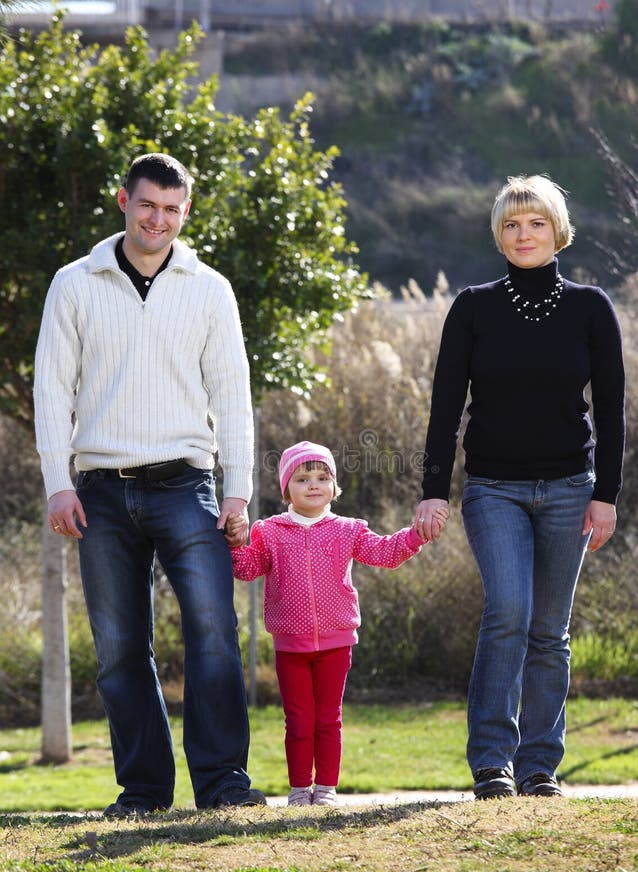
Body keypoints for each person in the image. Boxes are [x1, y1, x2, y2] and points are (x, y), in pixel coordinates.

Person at [33, 152, 265, 816]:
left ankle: (223, 785)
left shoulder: (209, 288)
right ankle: (142, 791)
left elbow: (234, 395)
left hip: (188, 485)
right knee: (117, 649)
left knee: (215, 634)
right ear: (122, 202)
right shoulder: (74, 284)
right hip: (99, 492)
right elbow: (50, 390)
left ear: (185, 212)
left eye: (171, 209)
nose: (157, 220)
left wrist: (238, 491)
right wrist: (59, 482)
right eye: (146, 206)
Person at [414, 175, 625, 801]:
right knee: (508, 611)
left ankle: (538, 766)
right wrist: (434, 489)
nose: (523, 234)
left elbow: (612, 411)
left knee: (550, 630)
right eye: (511, 224)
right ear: (498, 237)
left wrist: (605, 495)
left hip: (570, 489)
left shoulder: (592, 308)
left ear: (557, 230)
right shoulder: (473, 307)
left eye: (535, 223)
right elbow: (446, 405)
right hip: (494, 489)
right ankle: (492, 763)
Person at [226, 440, 448, 806]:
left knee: (328, 719)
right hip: (290, 644)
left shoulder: (348, 529)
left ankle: (326, 789)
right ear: (286, 490)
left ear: (333, 486)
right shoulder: (270, 531)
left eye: (321, 476)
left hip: (336, 642)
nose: (313, 484)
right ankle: (299, 790)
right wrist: (234, 544)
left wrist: (416, 535)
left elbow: (385, 553)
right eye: (301, 478)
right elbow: (248, 569)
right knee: (298, 721)